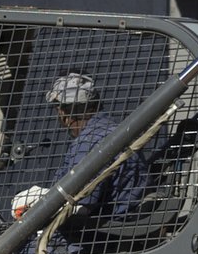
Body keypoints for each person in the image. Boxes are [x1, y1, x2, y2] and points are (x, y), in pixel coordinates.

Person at [48, 72, 149, 228]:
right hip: (126, 222)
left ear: (63, 113)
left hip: (100, 232)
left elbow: (78, 205)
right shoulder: (115, 131)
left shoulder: (88, 142)